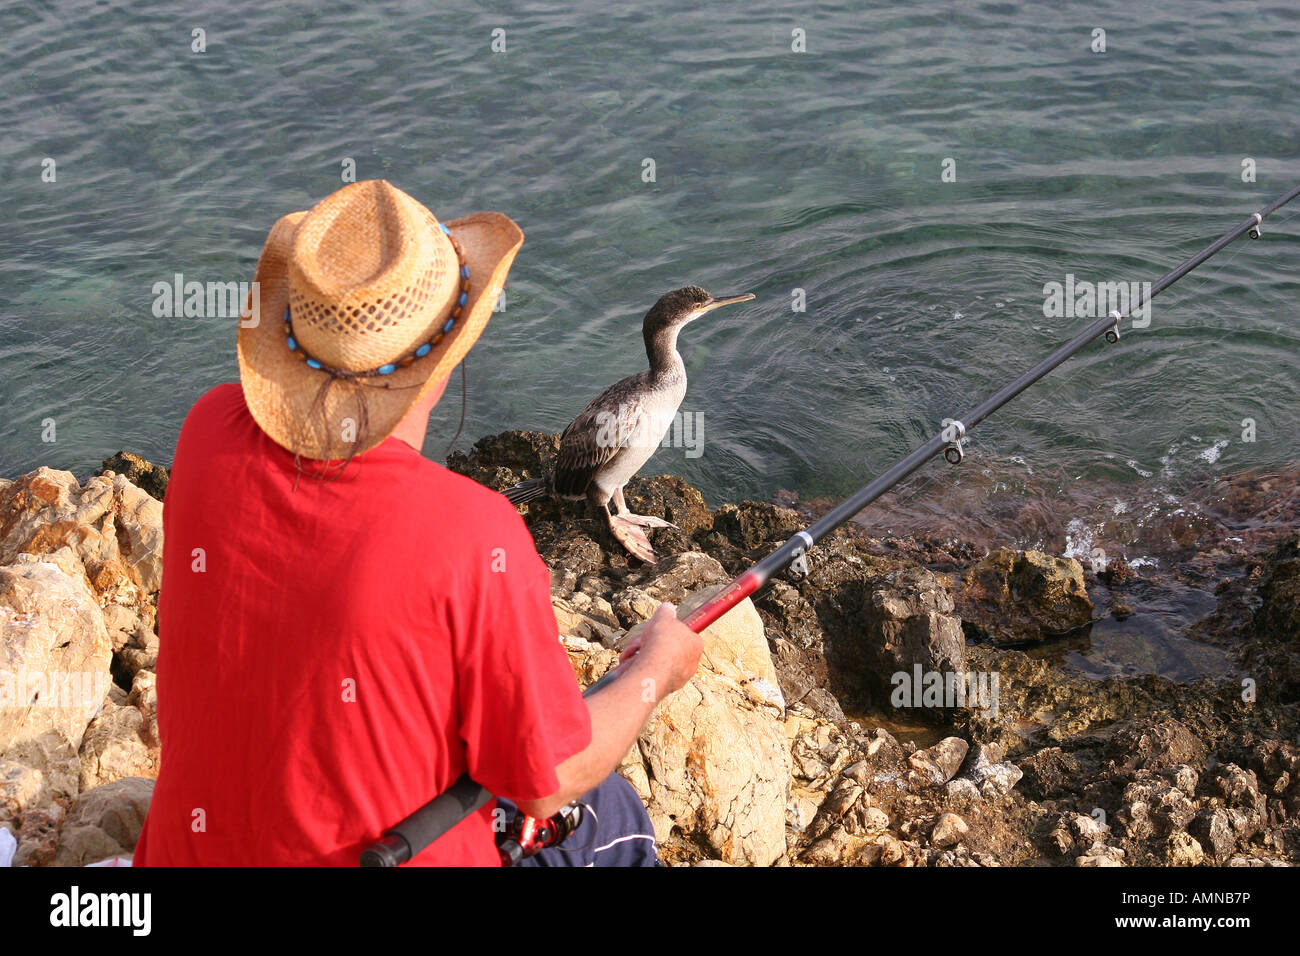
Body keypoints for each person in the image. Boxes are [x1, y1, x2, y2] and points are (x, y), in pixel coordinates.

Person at [132, 180, 703, 866]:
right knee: (615, 819)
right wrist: (657, 669)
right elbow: (549, 782)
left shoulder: (208, 430)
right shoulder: (471, 532)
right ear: (448, 352)